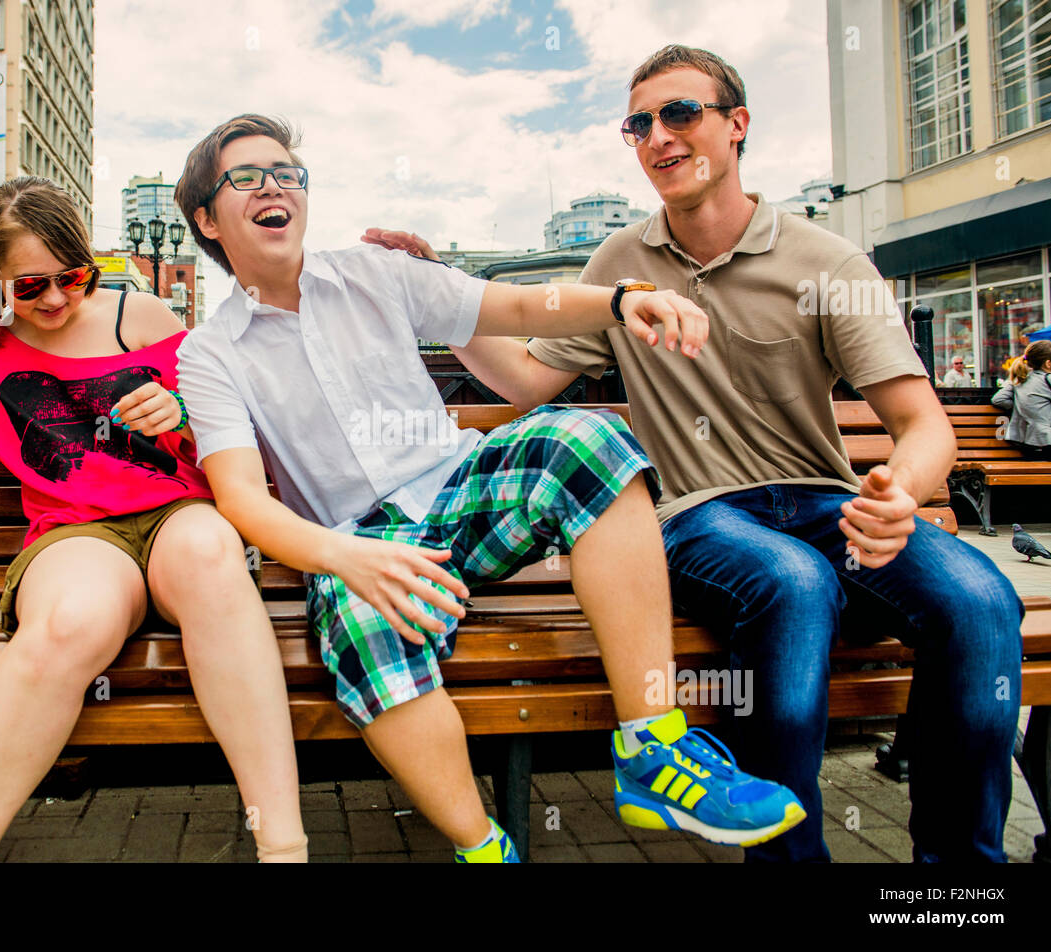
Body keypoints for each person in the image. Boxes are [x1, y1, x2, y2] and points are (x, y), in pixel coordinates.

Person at [369, 44, 1024, 862]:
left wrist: (903, 490)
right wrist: (430, 282)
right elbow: (530, 378)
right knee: (791, 583)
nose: (658, 137)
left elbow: (923, 423)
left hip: (826, 503)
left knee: (981, 601)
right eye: (639, 124)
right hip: (692, 517)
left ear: (738, 125)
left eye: (681, 114)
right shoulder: (622, 266)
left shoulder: (827, 263)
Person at [147, 113, 806, 864]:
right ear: (206, 217)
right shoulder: (209, 352)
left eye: (288, 173)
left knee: (585, 439)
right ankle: (486, 849)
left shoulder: (375, 272)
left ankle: (652, 751)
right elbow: (241, 499)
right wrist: (347, 559)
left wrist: (621, 301)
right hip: (359, 539)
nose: (276, 188)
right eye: (247, 178)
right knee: (363, 627)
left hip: (461, 488)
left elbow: (523, 309)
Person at [0, 176, 307, 862]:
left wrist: (183, 413)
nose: (53, 299)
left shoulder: (145, 317)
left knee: (211, 561)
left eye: (71, 278)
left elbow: (237, 425)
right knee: (69, 622)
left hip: (177, 512)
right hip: (79, 536)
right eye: (28, 286)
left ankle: (284, 848)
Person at [992, 340, 1051, 461]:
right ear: (1048, 363)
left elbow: (998, 399)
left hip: (1027, 442)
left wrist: (1018, 405)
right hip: (1049, 440)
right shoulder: (1049, 379)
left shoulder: (1020, 379)